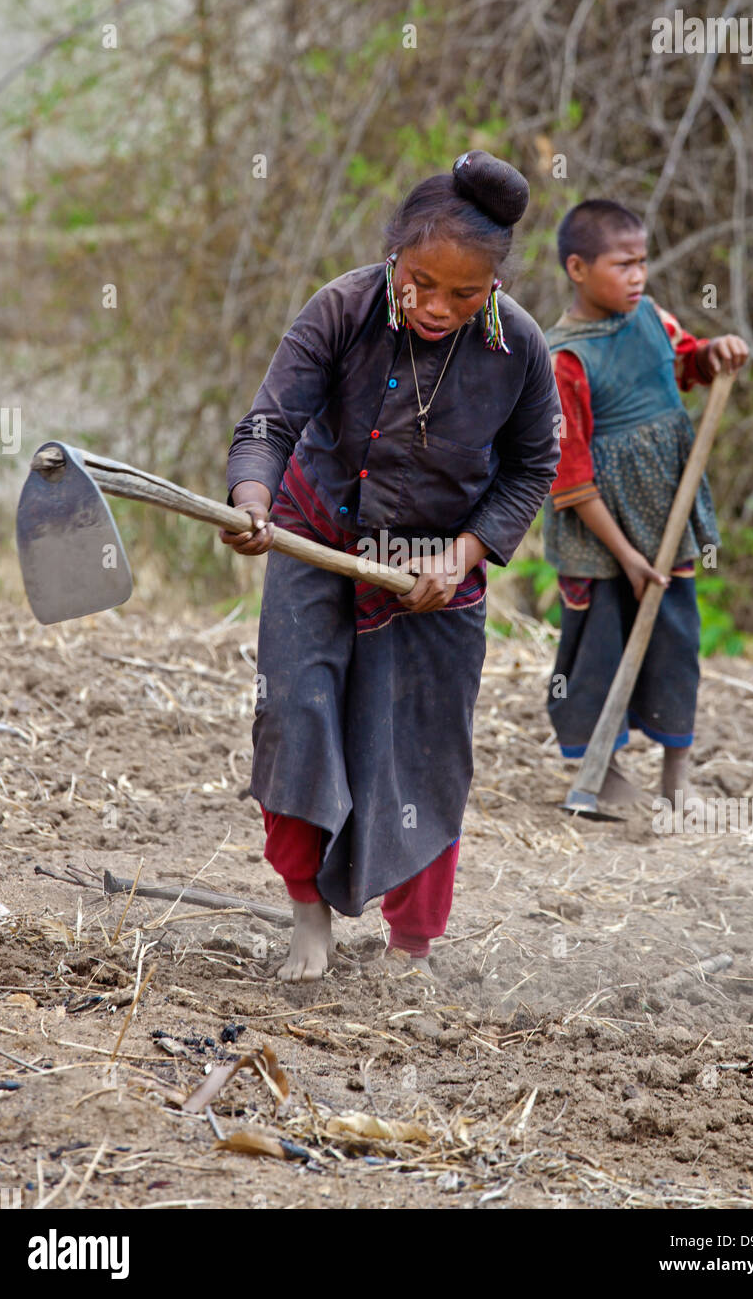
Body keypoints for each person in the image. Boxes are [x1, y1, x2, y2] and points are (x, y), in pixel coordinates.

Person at [221, 150, 560, 981]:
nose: (437, 306)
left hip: (432, 575)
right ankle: (309, 913)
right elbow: (269, 424)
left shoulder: (519, 348)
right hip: (317, 541)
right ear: (393, 257)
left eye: (464, 293)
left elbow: (530, 470)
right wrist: (253, 500)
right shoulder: (341, 309)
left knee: (422, 749)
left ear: (495, 287)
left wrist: (466, 551)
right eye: (421, 282)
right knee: (294, 714)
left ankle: (411, 947)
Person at [543, 199, 749, 807]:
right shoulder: (564, 360)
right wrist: (627, 557)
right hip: (601, 541)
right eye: (622, 264)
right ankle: (598, 770)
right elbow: (570, 479)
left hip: (667, 520)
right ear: (578, 269)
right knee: (595, 650)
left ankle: (675, 777)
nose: (638, 276)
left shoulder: (654, 319)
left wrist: (717, 354)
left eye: (643, 262)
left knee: (675, 641)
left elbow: (687, 362)